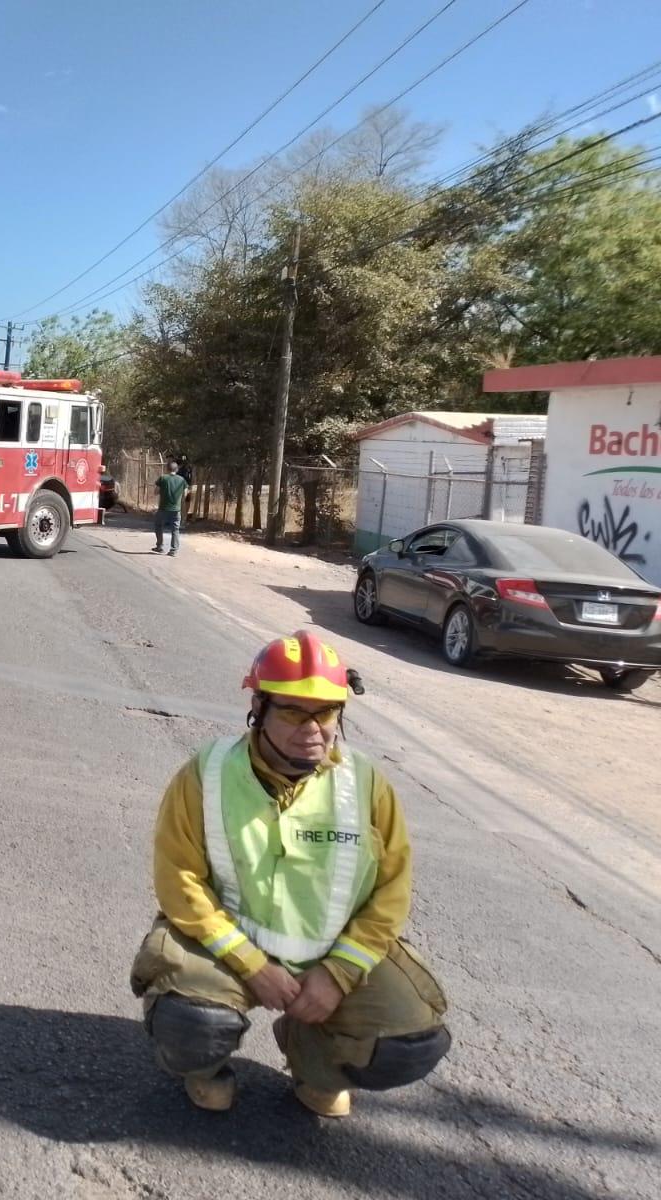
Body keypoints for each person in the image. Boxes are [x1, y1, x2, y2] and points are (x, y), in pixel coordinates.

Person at [129, 631, 450, 1117]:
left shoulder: (366, 786)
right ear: (258, 707)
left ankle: (315, 1063)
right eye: (294, 712)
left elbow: (392, 890)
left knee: (411, 1042)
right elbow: (180, 879)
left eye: (326, 712)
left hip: (330, 955)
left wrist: (338, 975)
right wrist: (253, 966)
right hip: (226, 948)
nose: (314, 728)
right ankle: (204, 1068)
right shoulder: (207, 773)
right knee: (193, 1023)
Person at [152, 459, 187, 555]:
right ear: (177, 470)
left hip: (163, 508)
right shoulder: (182, 480)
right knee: (175, 529)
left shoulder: (163, 478)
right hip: (176, 509)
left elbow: (155, 492)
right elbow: (185, 494)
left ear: (167, 469)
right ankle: (174, 550)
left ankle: (160, 546)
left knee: (158, 525)